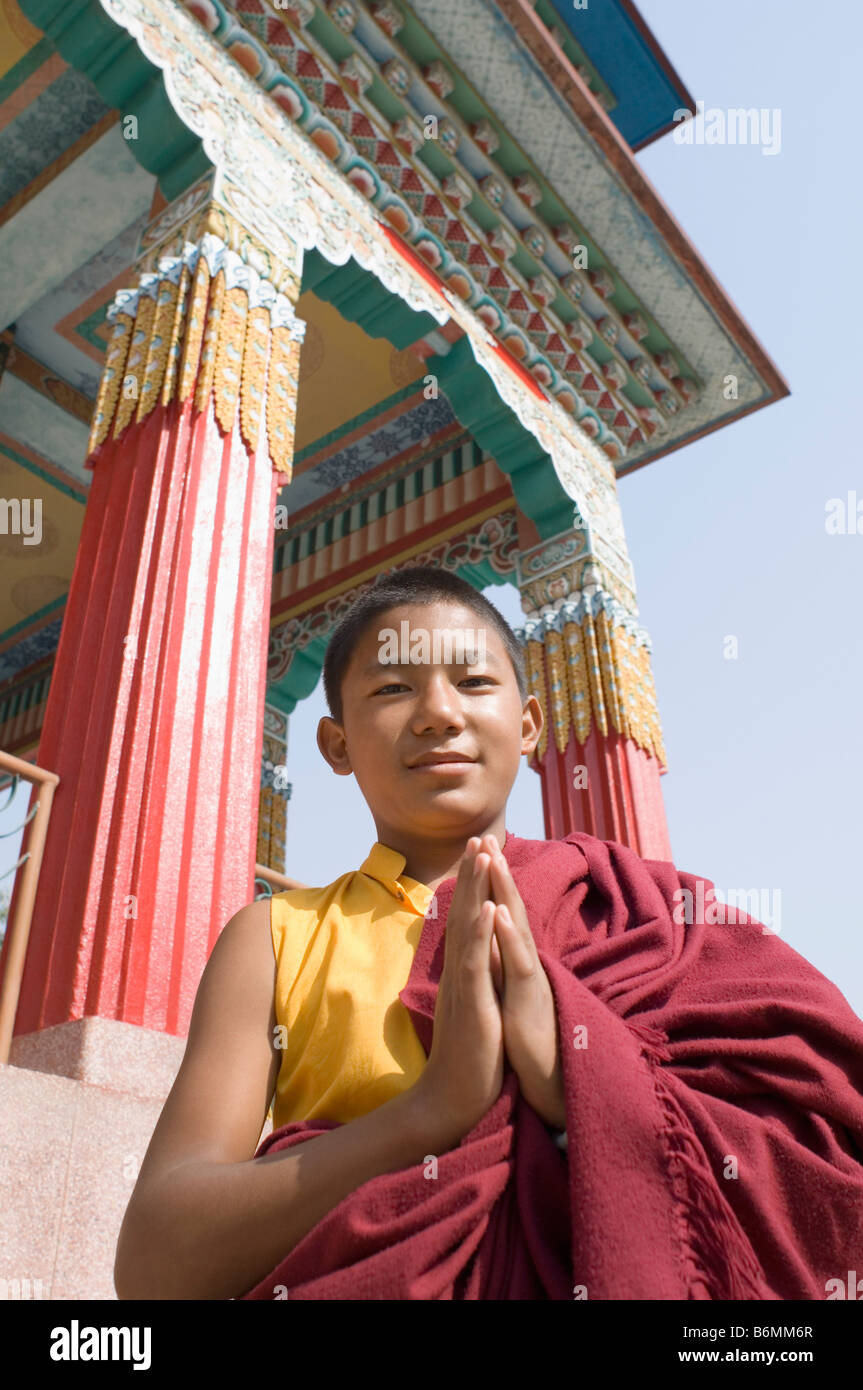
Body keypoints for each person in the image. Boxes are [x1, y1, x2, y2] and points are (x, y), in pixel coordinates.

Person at [114, 566, 863, 1300]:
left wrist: (573, 1072)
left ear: (529, 723)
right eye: (392, 688)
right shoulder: (277, 935)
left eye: (473, 683)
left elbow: (821, 1140)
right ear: (336, 746)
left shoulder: (640, 909)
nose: (439, 712)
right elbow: (154, 1267)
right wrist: (432, 1110)